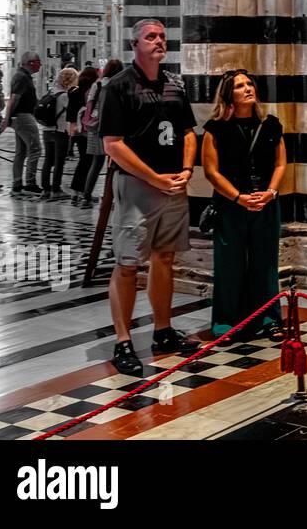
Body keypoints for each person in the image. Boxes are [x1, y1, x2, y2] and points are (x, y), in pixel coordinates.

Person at [99, 19, 200, 376]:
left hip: (173, 184)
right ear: (135, 44)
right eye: (151, 37)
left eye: (162, 37)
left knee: (165, 257)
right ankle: (123, 341)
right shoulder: (119, 86)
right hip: (138, 187)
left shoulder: (174, 84)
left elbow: (189, 132)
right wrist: (153, 177)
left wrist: (186, 170)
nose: (159, 42)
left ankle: (163, 330)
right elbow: (112, 144)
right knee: (127, 265)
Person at [201, 69, 287, 344]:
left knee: (265, 264)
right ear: (229, 95)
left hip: (265, 203)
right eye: (240, 86)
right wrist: (238, 197)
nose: (248, 88)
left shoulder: (271, 124)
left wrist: (271, 192)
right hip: (230, 205)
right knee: (230, 265)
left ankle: (269, 319)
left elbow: (280, 163)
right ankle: (226, 322)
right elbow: (211, 172)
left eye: (250, 84)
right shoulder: (215, 129)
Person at [75, 58, 123, 209]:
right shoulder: (118, 84)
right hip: (112, 127)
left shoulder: (97, 84)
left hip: (95, 127)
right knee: (114, 164)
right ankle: (109, 198)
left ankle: (86, 197)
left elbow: (89, 104)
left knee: (95, 164)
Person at [1, 50, 43, 196]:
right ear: (30, 63)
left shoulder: (23, 76)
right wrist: (6, 119)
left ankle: (17, 183)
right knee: (35, 149)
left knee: (21, 152)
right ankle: (30, 183)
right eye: (38, 61)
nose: (40, 65)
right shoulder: (22, 77)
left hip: (20, 117)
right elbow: (14, 98)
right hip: (24, 117)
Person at [39, 66, 79, 199]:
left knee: (48, 161)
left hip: (47, 130)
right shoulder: (65, 96)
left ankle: (45, 190)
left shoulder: (51, 91)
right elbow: (71, 114)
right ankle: (56, 189)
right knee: (59, 161)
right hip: (60, 131)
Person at [66, 67, 101, 200]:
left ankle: (76, 190)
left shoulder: (73, 90)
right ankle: (82, 191)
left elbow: (70, 113)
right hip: (87, 129)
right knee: (88, 160)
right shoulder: (91, 91)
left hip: (76, 129)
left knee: (83, 160)